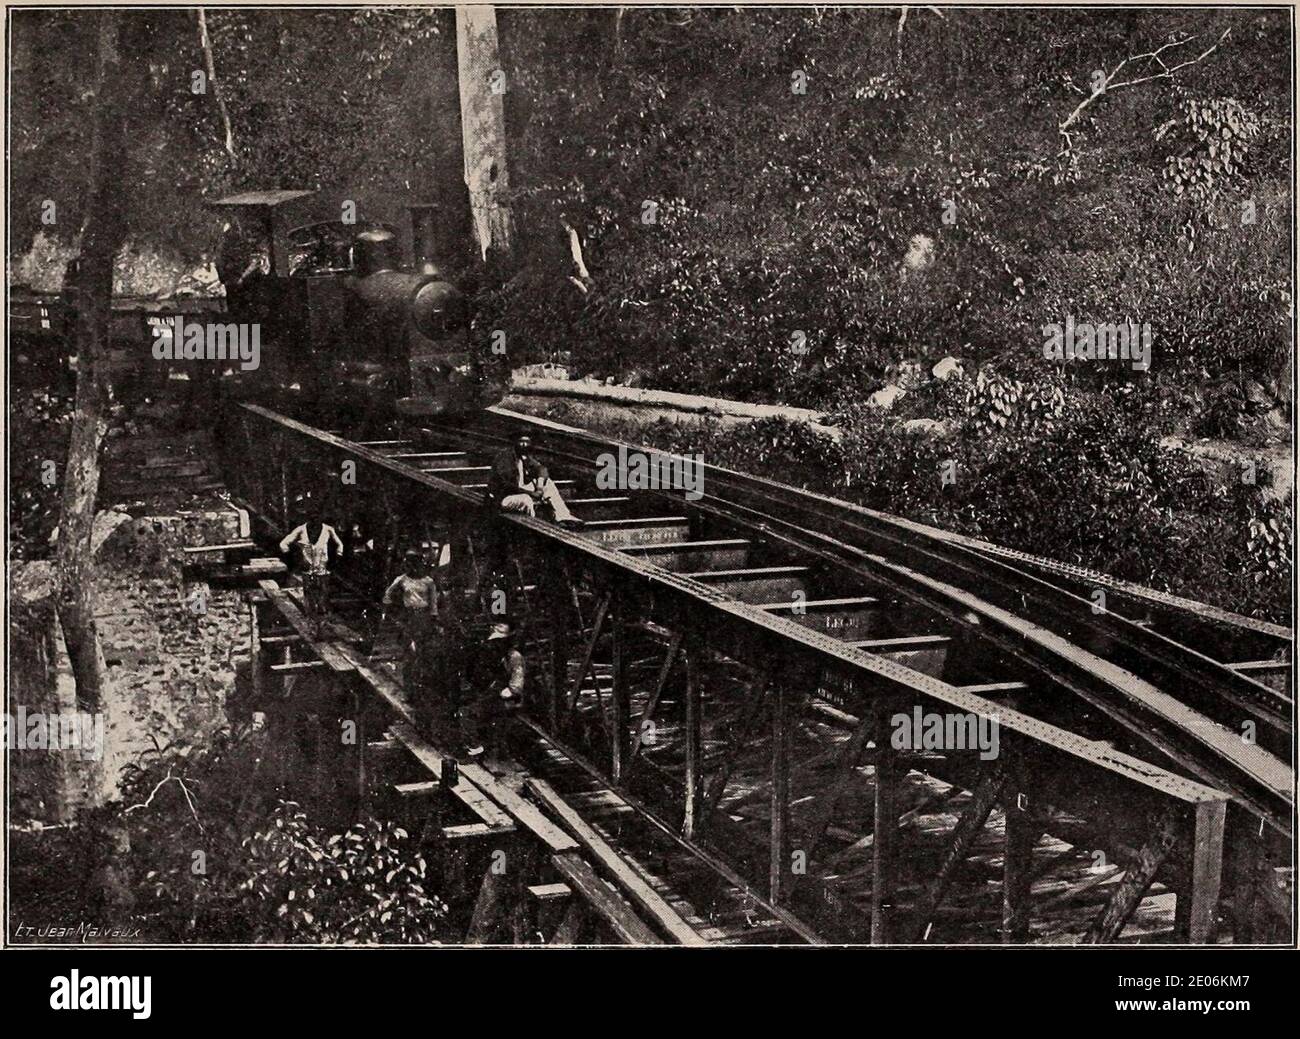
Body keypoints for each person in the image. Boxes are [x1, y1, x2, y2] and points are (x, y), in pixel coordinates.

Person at [382, 550, 443, 731]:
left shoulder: (428, 582)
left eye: (415, 563)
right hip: (409, 618)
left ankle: (422, 692)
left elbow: (433, 603)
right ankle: (410, 692)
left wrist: (433, 619)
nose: (412, 566)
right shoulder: (402, 580)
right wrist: (393, 612)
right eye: (409, 563)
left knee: (424, 655)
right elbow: (388, 594)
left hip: (424, 619)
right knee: (409, 656)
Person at [458, 615, 526, 758]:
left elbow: (517, 680)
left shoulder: (512, 655)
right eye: (496, 626)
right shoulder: (488, 648)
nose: (496, 629)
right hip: (488, 691)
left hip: (502, 696)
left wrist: (511, 690)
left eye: (501, 628)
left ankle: (476, 747)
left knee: (468, 713)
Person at [487, 433, 583, 529]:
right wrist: (531, 493)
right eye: (521, 442)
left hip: (519, 491)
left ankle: (563, 517)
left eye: (527, 442)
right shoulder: (505, 458)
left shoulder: (523, 457)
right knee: (526, 499)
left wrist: (540, 487)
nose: (524, 445)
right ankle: (535, 527)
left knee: (548, 483)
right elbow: (506, 486)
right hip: (503, 497)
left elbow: (541, 469)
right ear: (515, 442)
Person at [279, 507, 344, 634]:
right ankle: (312, 626)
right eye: (312, 516)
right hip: (307, 569)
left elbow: (339, 544)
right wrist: (292, 559)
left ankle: (322, 626)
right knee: (309, 597)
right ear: (308, 517)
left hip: (322, 569)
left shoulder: (328, 529)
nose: (314, 519)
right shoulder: (301, 529)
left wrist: (337, 558)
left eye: (317, 516)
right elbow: (283, 544)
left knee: (323, 596)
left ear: (321, 517)